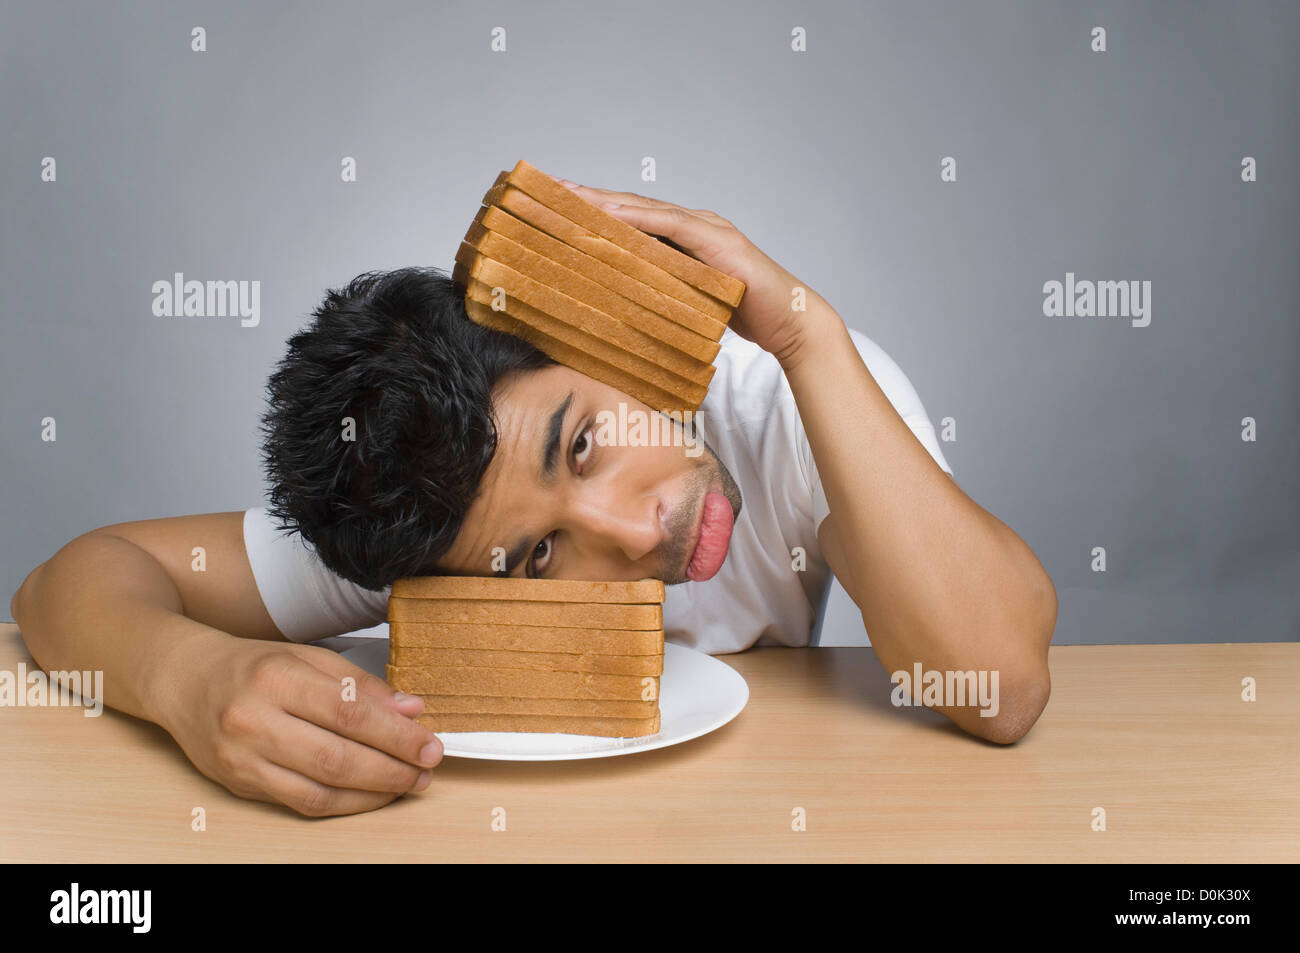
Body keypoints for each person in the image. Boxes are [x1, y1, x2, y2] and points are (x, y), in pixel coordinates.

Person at [10, 177, 1056, 818]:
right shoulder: (428, 518)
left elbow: (1000, 687)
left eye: (587, 442)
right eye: (533, 558)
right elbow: (66, 585)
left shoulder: (788, 396)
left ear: (592, 332)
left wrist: (805, 333)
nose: (632, 530)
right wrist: (191, 679)